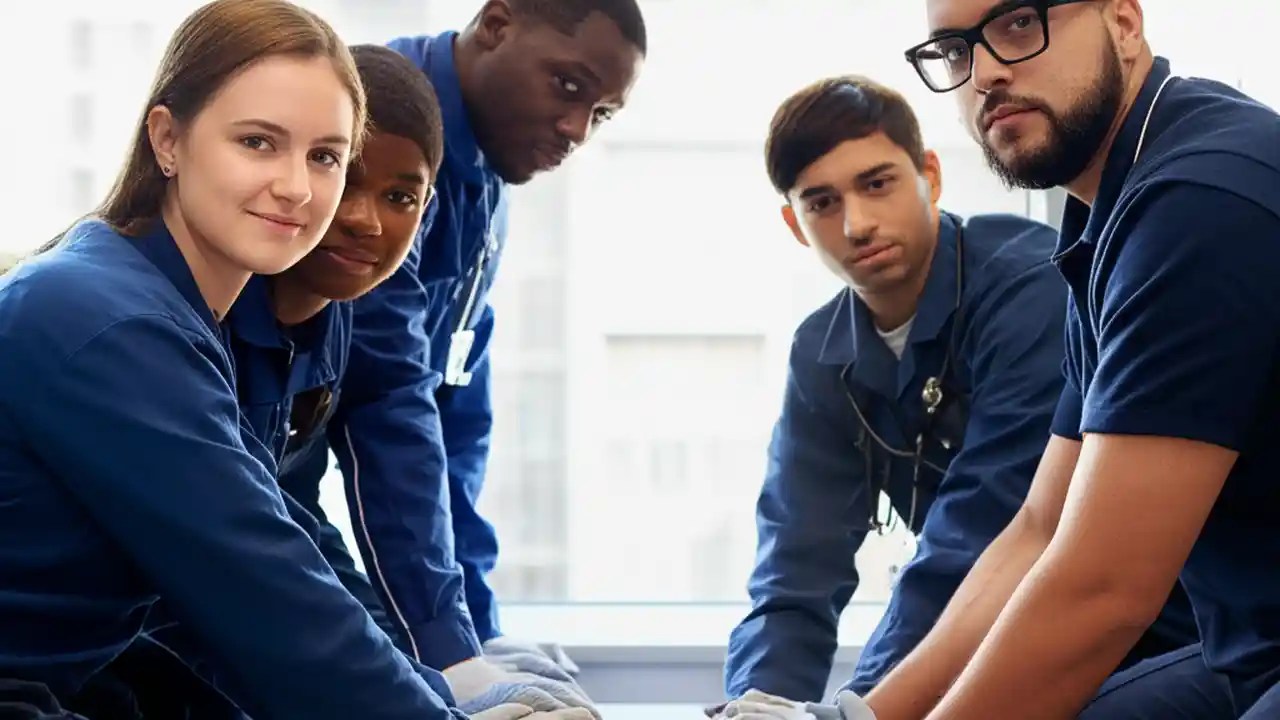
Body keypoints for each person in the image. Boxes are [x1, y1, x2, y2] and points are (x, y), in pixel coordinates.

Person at [0, 2, 585, 719]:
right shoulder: (102, 318)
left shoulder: (207, 320)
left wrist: (442, 692)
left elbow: (282, 545)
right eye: (257, 143)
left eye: (325, 156)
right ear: (168, 140)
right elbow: (262, 587)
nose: (299, 189)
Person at [736, 0, 1280, 718]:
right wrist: (856, 716)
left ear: (1123, 21)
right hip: (1246, 647)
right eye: (956, 52)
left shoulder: (1196, 201)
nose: (986, 72)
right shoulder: (1106, 217)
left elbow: (1103, 586)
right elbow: (1037, 527)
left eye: (1020, 23)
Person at [274, 0, 646, 713]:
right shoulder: (378, 120)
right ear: (498, 24)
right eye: (568, 88)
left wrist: (475, 636)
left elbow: (454, 415)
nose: (575, 131)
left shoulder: (487, 179)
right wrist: (449, 651)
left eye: (601, 115)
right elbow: (388, 411)